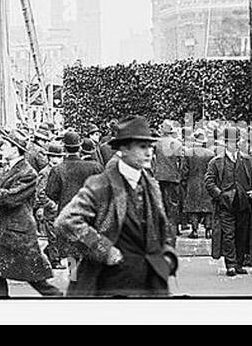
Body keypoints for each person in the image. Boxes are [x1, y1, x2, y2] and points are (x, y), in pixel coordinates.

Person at [54, 116, 179, 297]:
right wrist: (103, 249)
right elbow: (66, 221)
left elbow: (162, 225)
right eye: (142, 147)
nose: (149, 153)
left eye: (150, 147)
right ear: (124, 149)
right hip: (109, 283)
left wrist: (168, 257)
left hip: (149, 283)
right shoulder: (102, 184)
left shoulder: (150, 183)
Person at [0, 131, 62, 297]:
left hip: (18, 231)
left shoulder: (28, 172)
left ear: (15, 149)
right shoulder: (9, 168)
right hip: (5, 228)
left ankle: (56, 297)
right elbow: (2, 197)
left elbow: (12, 197)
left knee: (33, 275)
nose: (2, 147)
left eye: (6, 145)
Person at [205, 134, 252, 275]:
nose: (233, 144)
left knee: (242, 234)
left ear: (238, 142)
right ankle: (230, 264)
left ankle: (239, 263)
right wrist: (220, 194)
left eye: (235, 141)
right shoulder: (216, 161)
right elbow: (209, 181)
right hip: (225, 204)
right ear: (225, 143)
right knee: (228, 234)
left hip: (243, 203)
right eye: (229, 142)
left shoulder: (247, 160)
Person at [180, 129, 216, 238]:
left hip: (192, 184)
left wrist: (184, 182)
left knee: (193, 208)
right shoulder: (210, 154)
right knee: (208, 208)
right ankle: (208, 230)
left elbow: (184, 171)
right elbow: (213, 172)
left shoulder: (188, 153)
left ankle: (194, 230)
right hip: (206, 184)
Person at [152, 120, 185, 233]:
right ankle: (173, 228)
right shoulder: (177, 143)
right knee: (173, 204)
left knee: (161, 202)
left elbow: (152, 159)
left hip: (159, 176)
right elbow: (181, 162)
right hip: (173, 177)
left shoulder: (156, 143)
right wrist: (179, 174)